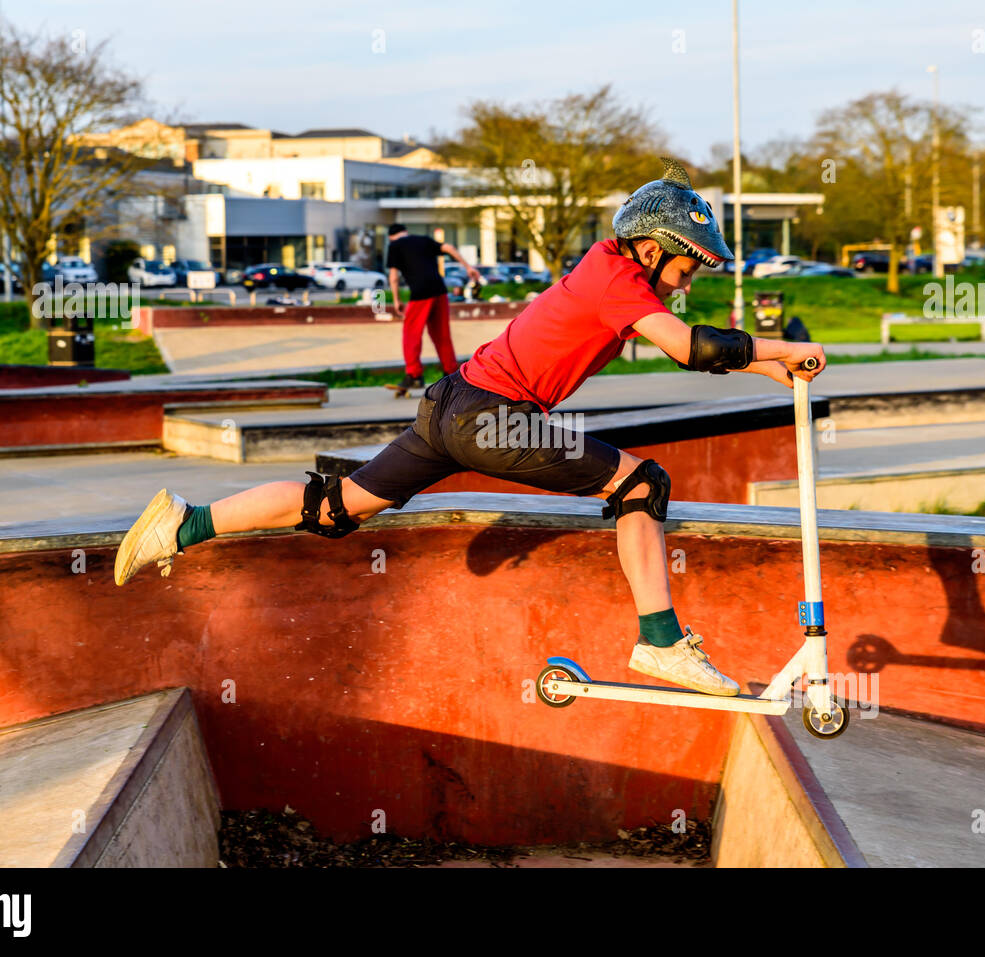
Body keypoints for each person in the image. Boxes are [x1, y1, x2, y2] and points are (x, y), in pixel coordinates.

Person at [113, 159, 826, 697]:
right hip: (493, 419)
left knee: (335, 505)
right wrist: (781, 349)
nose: (686, 281)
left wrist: (771, 371)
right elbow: (688, 347)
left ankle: (182, 522)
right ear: (649, 247)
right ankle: (660, 640)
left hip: (450, 404)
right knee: (640, 482)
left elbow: (694, 352)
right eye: (685, 266)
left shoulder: (614, 277)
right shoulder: (620, 283)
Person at [384, 224, 480, 393]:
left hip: (421, 293)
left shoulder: (394, 245)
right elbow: (449, 247)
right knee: (441, 334)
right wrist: (468, 267)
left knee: (411, 334)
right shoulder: (423, 239)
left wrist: (396, 299)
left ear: (392, 236)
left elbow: (393, 277)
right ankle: (451, 374)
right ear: (405, 232)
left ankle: (414, 375)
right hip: (439, 291)